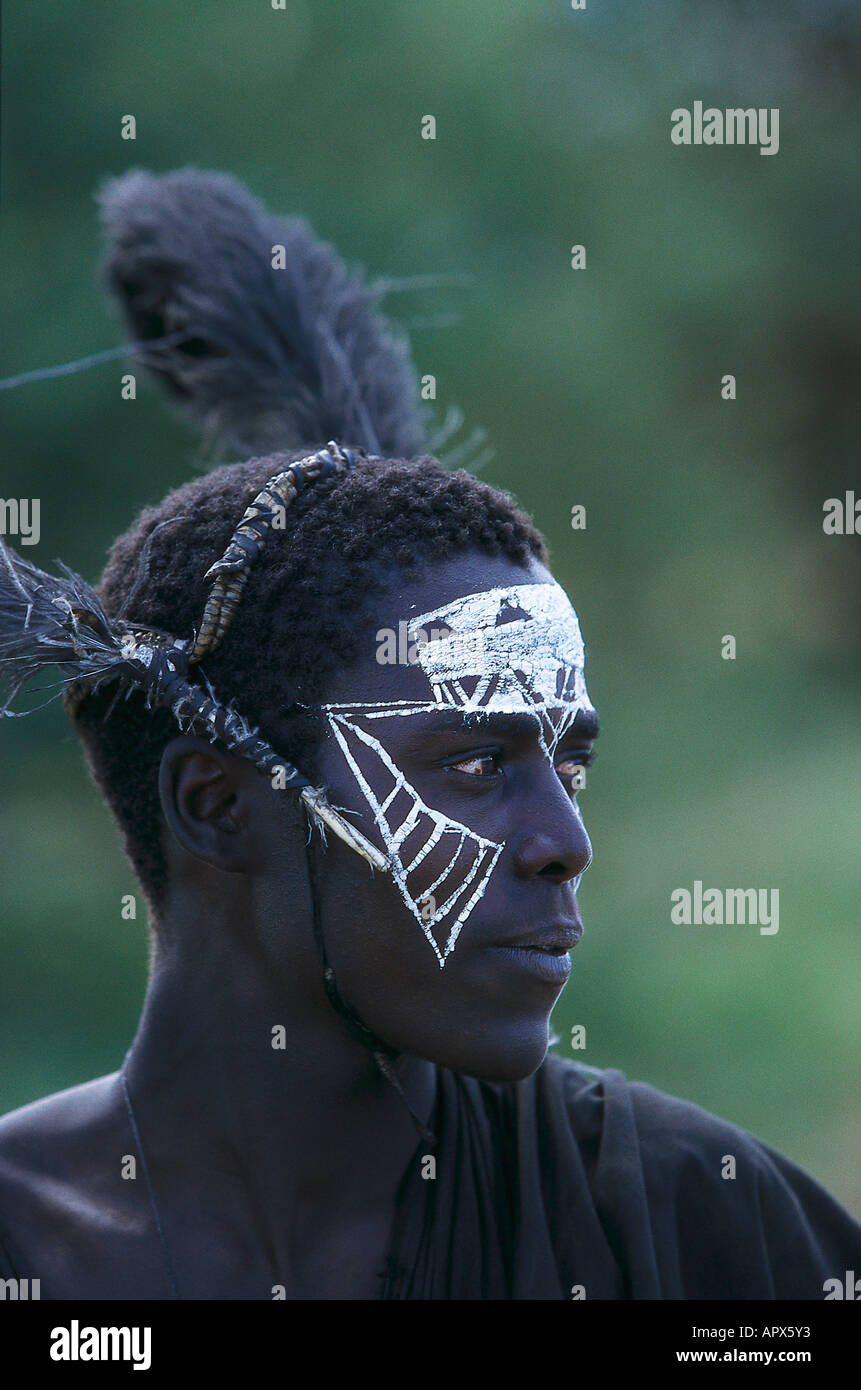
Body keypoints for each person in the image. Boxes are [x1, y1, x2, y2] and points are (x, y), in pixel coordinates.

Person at [0, 168, 858, 1300]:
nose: (563, 841)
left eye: (571, 762)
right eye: (475, 762)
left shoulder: (693, 1222)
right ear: (216, 804)